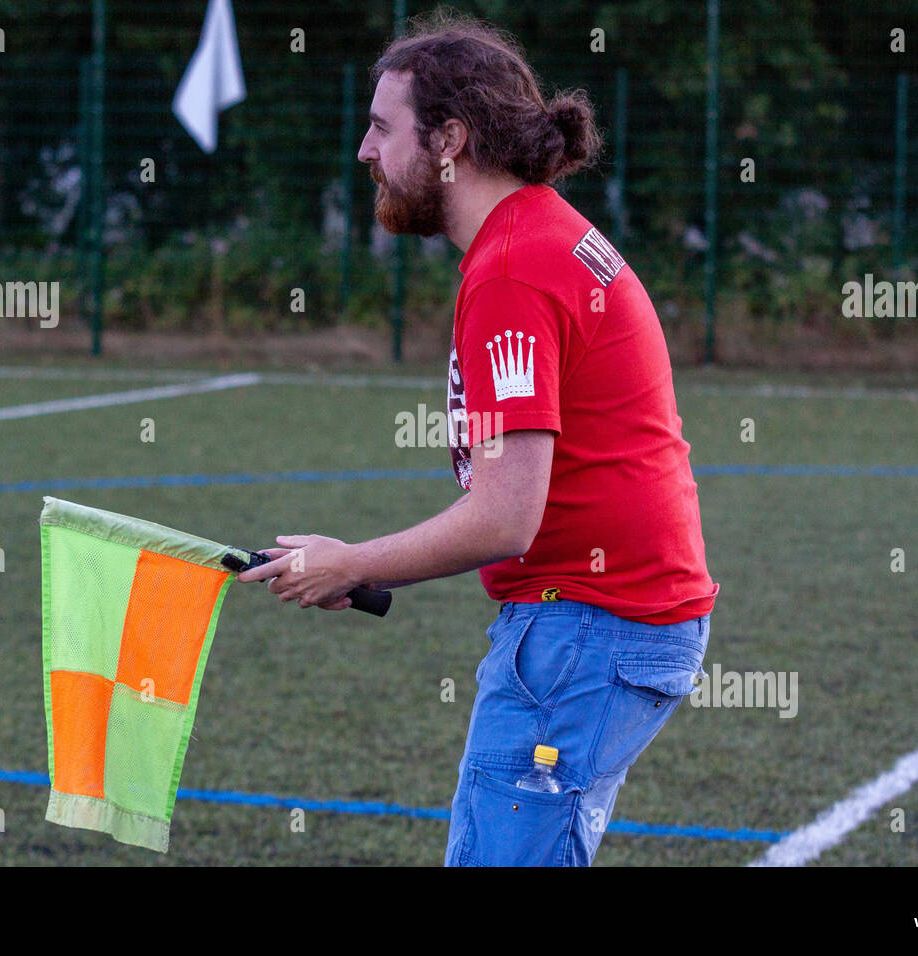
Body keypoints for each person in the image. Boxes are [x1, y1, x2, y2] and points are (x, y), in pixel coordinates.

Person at [237, 9, 718, 866]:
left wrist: (353, 561)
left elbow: (504, 518)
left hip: (587, 633)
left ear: (450, 138)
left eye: (383, 127)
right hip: (606, 626)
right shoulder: (537, 235)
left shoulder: (511, 269)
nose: (365, 151)